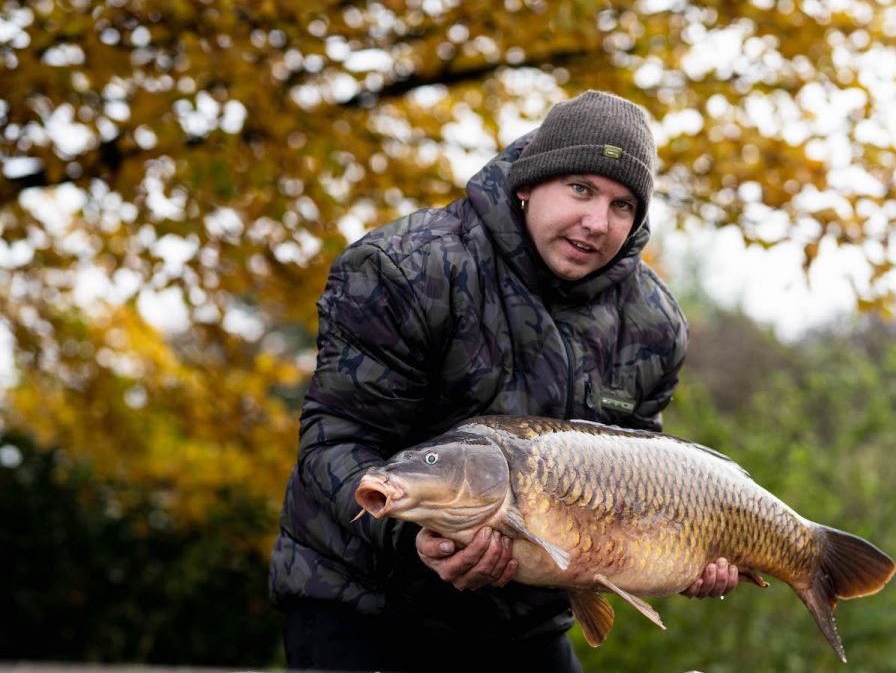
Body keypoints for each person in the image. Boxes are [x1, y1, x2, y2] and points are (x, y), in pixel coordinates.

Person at [269, 90, 738, 672]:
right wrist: (415, 540)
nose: (597, 221)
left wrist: (686, 553)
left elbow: (639, 476)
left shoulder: (653, 322)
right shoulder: (405, 269)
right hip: (364, 602)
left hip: (525, 616)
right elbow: (334, 443)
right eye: (581, 189)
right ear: (527, 184)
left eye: (623, 205)